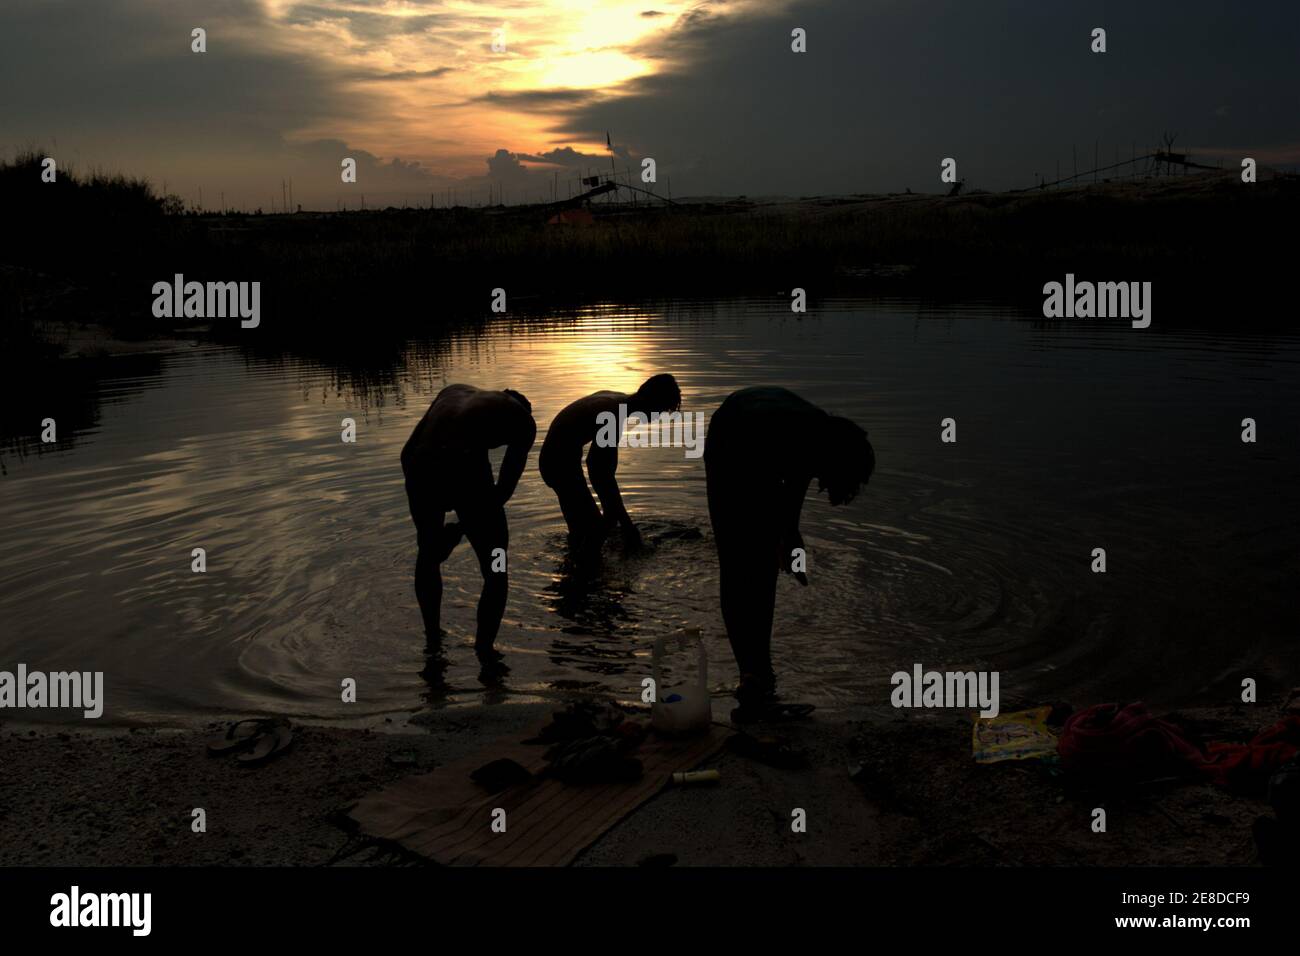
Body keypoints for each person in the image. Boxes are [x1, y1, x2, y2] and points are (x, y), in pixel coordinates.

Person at [704, 386, 875, 721]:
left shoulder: (819, 437)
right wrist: (784, 538)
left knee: (762, 560)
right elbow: (788, 490)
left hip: (752, 430)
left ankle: (759, 672)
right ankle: (753, 677)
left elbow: (792, 495)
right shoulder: (806, 439)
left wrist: (789, 538)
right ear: (839, 462)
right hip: (731, 443)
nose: (828, 487)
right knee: (739, 564)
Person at [400, 384, 536, 660]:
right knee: (495, 566)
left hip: (417, 462)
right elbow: (503, 489)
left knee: (427, 554)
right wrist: (466, 525)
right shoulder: (523, 420)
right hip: (462, 461)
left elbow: (411, 451)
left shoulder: (454, 392)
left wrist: (445, 525)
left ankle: (433, 640)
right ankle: (485, 651)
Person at [538, 374, 682, 559]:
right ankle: (583, 571)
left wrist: (615, 515)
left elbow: (600, 470)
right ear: (650, 400)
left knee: (585, 531)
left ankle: (576, 573)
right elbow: (600, 472)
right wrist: (626, 524)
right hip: (559, 467)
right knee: (593, 530)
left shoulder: (617, 401)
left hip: (564, 463)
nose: (659, 416)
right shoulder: (612, 414)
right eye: (661, 409)